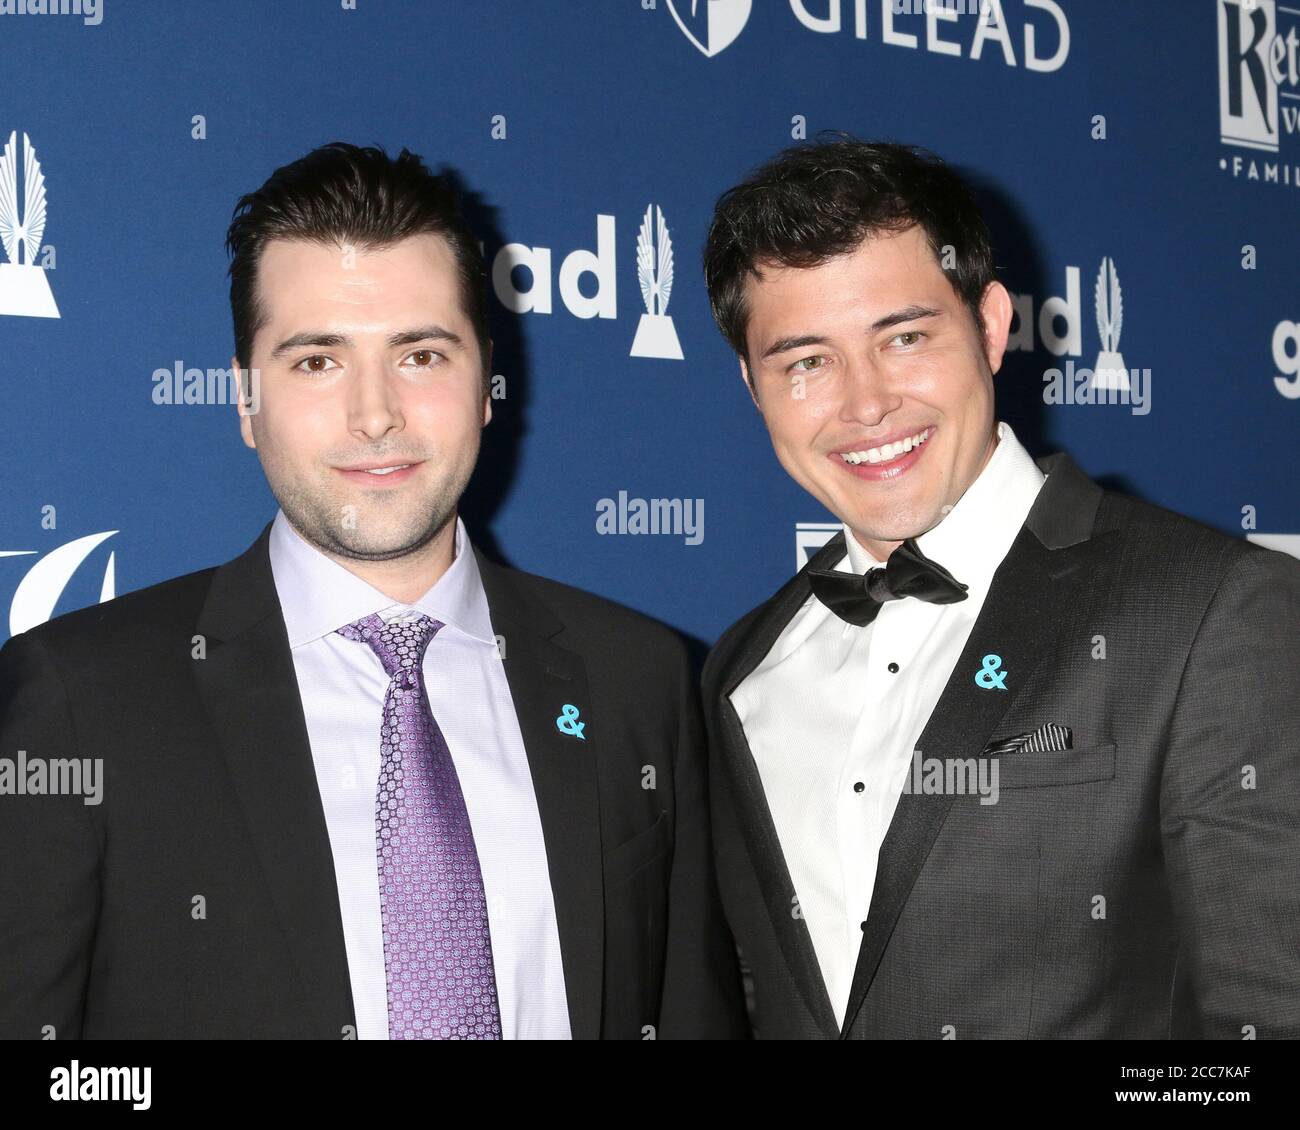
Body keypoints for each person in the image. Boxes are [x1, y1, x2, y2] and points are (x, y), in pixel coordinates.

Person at [0, 142, 745, 1040]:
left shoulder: (637, 679)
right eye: (317, 360)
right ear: (244, 398)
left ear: (486, 385)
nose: (375, 413)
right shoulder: (83, 700)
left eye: (421, 354)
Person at [699, 136, 1300, 1039]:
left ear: (988, 324)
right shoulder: (741, 670)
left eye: (903, 337)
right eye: (807, 362)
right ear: (753, 385)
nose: (866, 404)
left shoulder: (1211, 610)